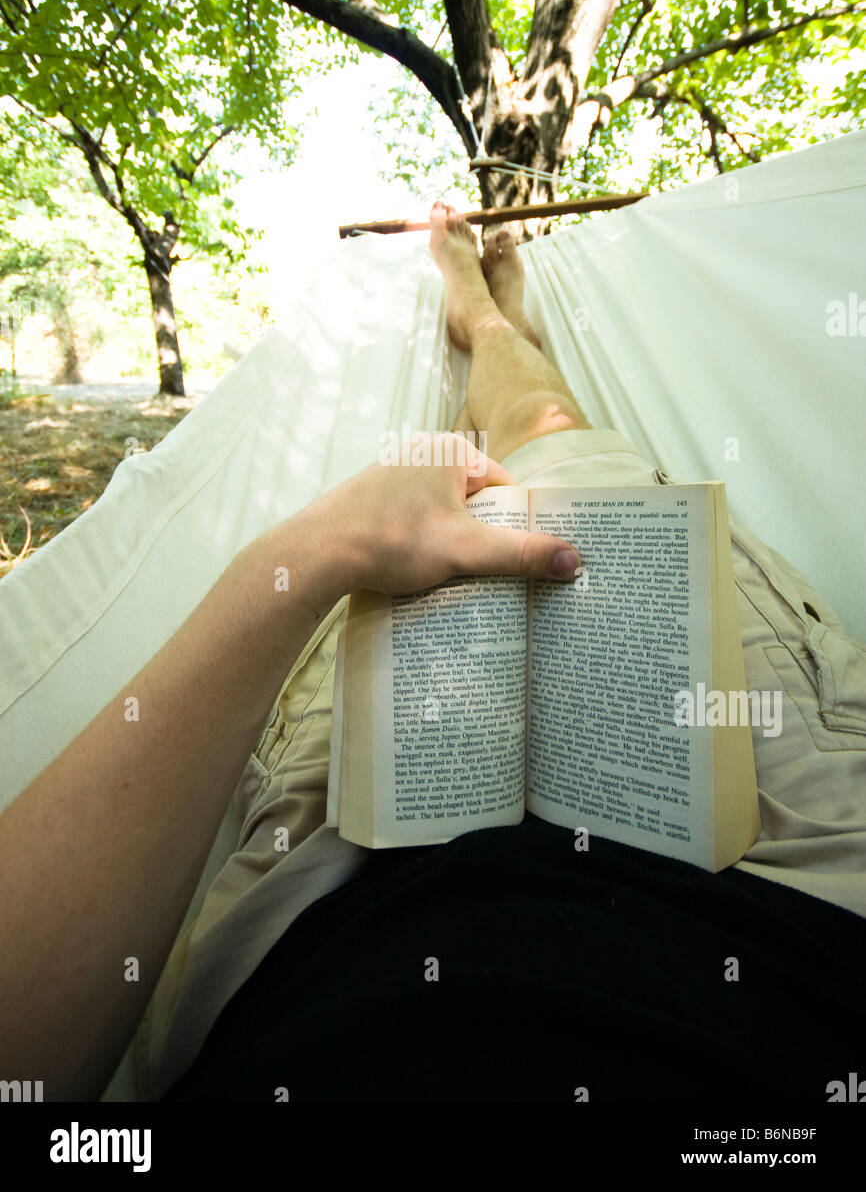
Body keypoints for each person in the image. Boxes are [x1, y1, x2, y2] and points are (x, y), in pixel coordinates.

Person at [1, 205, 865, 1103]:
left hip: (325, 895)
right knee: (544, 429)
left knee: (484, 469)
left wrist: (324, 545)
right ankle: (499, 334)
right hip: (793, 873)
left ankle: (483, 343)